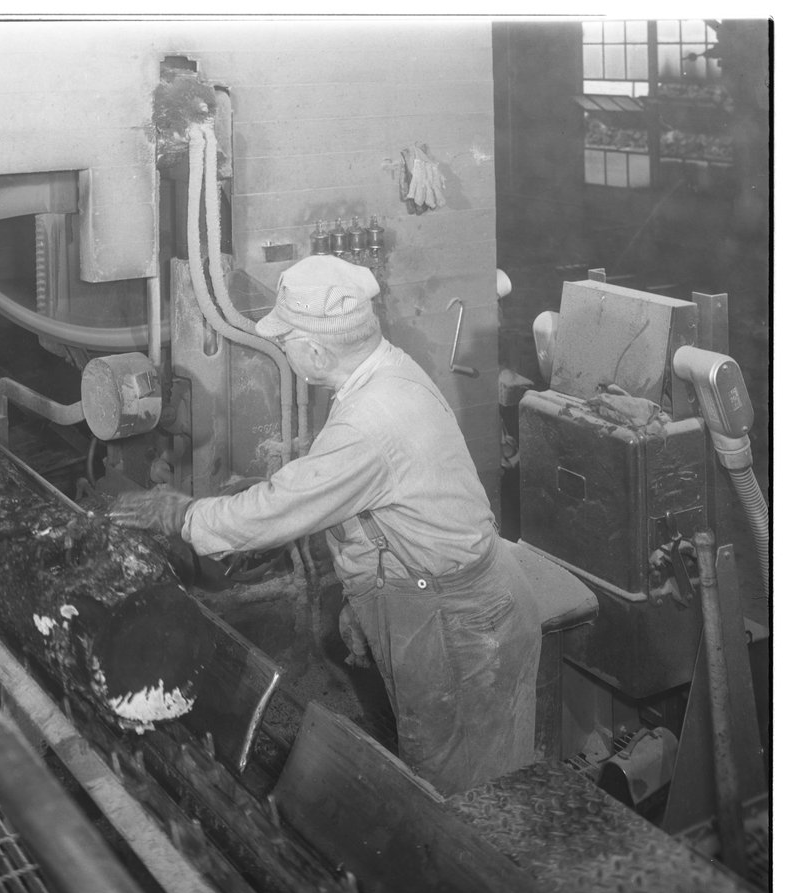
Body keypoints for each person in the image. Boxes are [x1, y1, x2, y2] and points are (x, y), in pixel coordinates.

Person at [110, 255, 540, 796]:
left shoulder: (371, 418)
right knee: (473, 779)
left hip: (461, 627)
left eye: (286, 342)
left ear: (313, 350)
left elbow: (281, 508)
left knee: (464, 800)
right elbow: (368, 499)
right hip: (454, 600)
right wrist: (368, 607)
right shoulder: (386, 370)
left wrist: (182, 514)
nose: (285, 353)